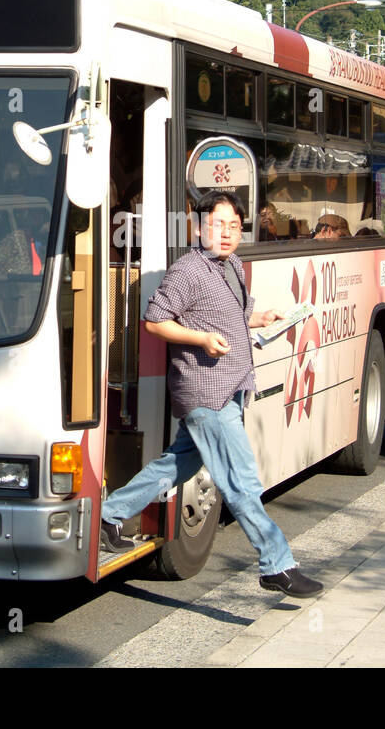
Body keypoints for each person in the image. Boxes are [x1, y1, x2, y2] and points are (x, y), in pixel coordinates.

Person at [98, 191, 323, 599]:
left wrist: (262, 318)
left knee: (177, 463)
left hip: (234, 384)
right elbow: (155, 321)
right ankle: (277, 564)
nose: (225, 233)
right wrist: (201, 339)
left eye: (233, 226)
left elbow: (235, 315)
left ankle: (110, 514)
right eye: (217, 225)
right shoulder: (188, 270)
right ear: (199, 227)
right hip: (206, 391)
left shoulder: (233, 265)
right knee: (241, 481)